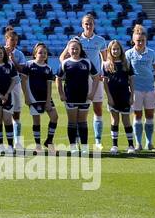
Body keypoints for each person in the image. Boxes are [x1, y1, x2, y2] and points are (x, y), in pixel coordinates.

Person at [15, 42, 58, 154]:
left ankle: (49, 141)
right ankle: (38, 146)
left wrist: (49, 100)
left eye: (45, 53)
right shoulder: (29, 65)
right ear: (35, 54)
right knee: (36, 121)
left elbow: (49, 85)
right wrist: (26, 97)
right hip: (33, 97)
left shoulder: (48, 68)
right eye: (40, 52)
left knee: (54, 117)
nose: (43, 54)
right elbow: (23, 82)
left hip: (45, 97)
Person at [76, 14, 109, 150]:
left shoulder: (100, 40)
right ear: (82, 25)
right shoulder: (77, 40)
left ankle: (97, 140)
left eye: (91, 24)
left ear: (94, 25)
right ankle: (77, 139)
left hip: (96, 79)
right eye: (86, 24)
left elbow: (105, 60)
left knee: (97, 109)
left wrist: (102, 73)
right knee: (79, 111)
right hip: (80, 80)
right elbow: (64, 57)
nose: (88, 26)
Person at [57, 39, 94, 156]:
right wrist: (61, 94)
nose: (74, 50)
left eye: (76, 48)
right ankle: (73, 146)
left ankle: (84, 147)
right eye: (72, 48)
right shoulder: (65, 63)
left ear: (80, 49)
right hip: (70, 97)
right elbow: (58, 78)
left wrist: (92, 93)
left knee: (83, 122)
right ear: (68, 50)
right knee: (72, 122)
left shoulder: (87, 62)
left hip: (84, 97)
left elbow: (97, 77)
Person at [127, 25, 155, 154]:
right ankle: (138, 143)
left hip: (150, 89)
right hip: (136, 90)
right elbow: (126, 73)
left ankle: (149, 142)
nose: (140, 43)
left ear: (146, 40)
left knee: (150, 116)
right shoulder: (128, 54)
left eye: (142, 40)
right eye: (138, 40)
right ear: (133, 40)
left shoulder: (151, 53)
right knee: (137, 115)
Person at [103, 39, 135, 154]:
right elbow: (105, 83)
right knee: (114, 120)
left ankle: (131, 145)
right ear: (110, 51)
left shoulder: (126, 63)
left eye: (117, 49)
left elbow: (131, 80)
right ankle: (115, 145)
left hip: (125, 96)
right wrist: (109, 97)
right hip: (113, 97)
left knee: (126, 120)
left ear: (121, 50)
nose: (115, 51)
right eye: (113, 49)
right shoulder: (107, 65)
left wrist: (132, 96)